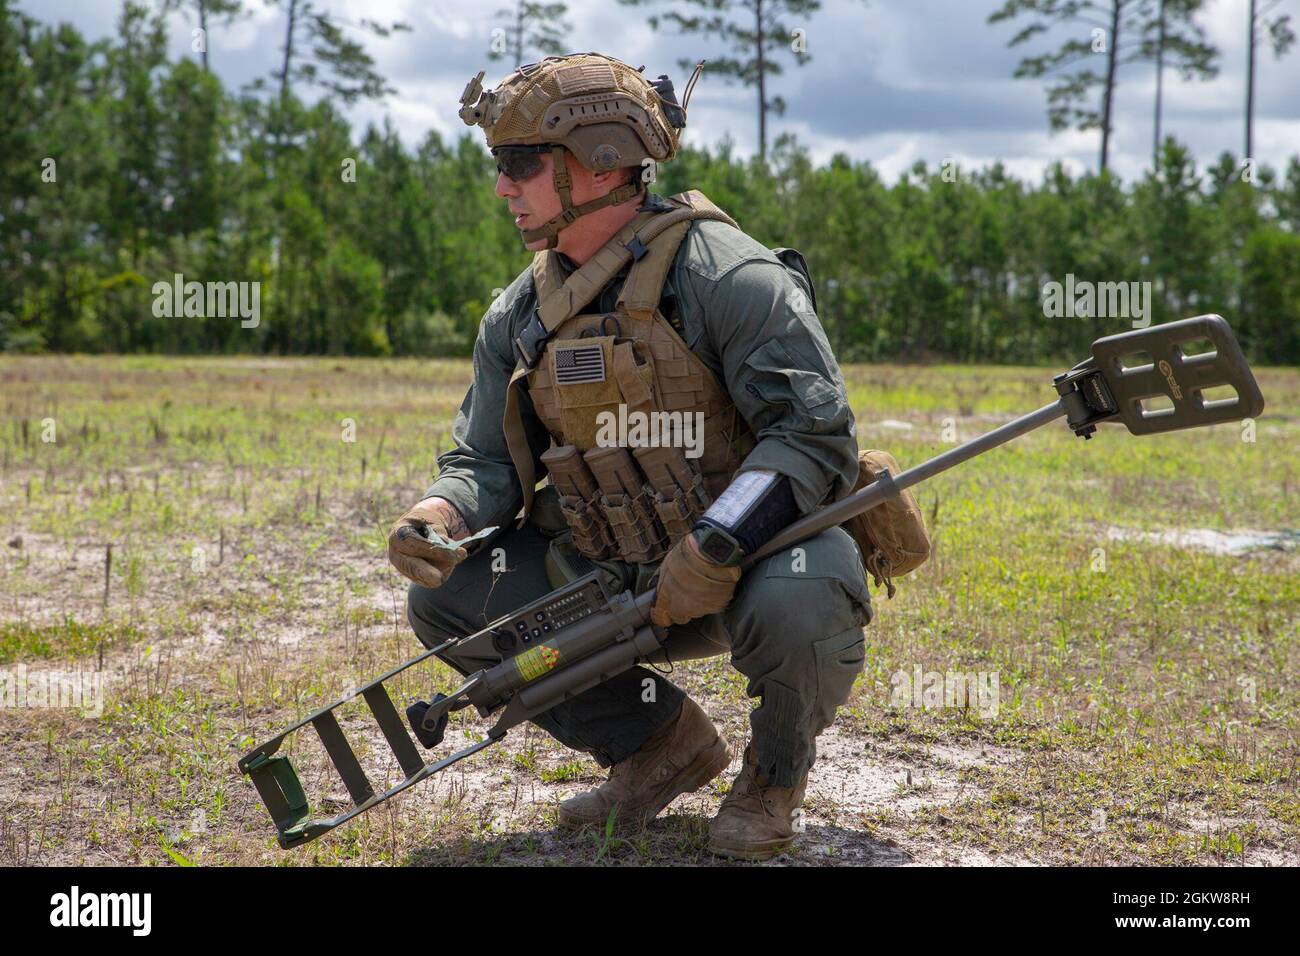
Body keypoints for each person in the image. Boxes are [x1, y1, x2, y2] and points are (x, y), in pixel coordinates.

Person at [386, 52, 871, 860]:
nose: (503, 186)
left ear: (600, 161)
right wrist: (439, 513)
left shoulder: (731, 277)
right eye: (500, 165)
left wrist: (719, 543)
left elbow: (812, 437)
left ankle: (775, 779)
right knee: (452, 600)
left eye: (519, 164)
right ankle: (660, 748)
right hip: (606, 577)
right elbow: (485, 463)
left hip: (744, 567)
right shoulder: (518, 314)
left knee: (805, 591)